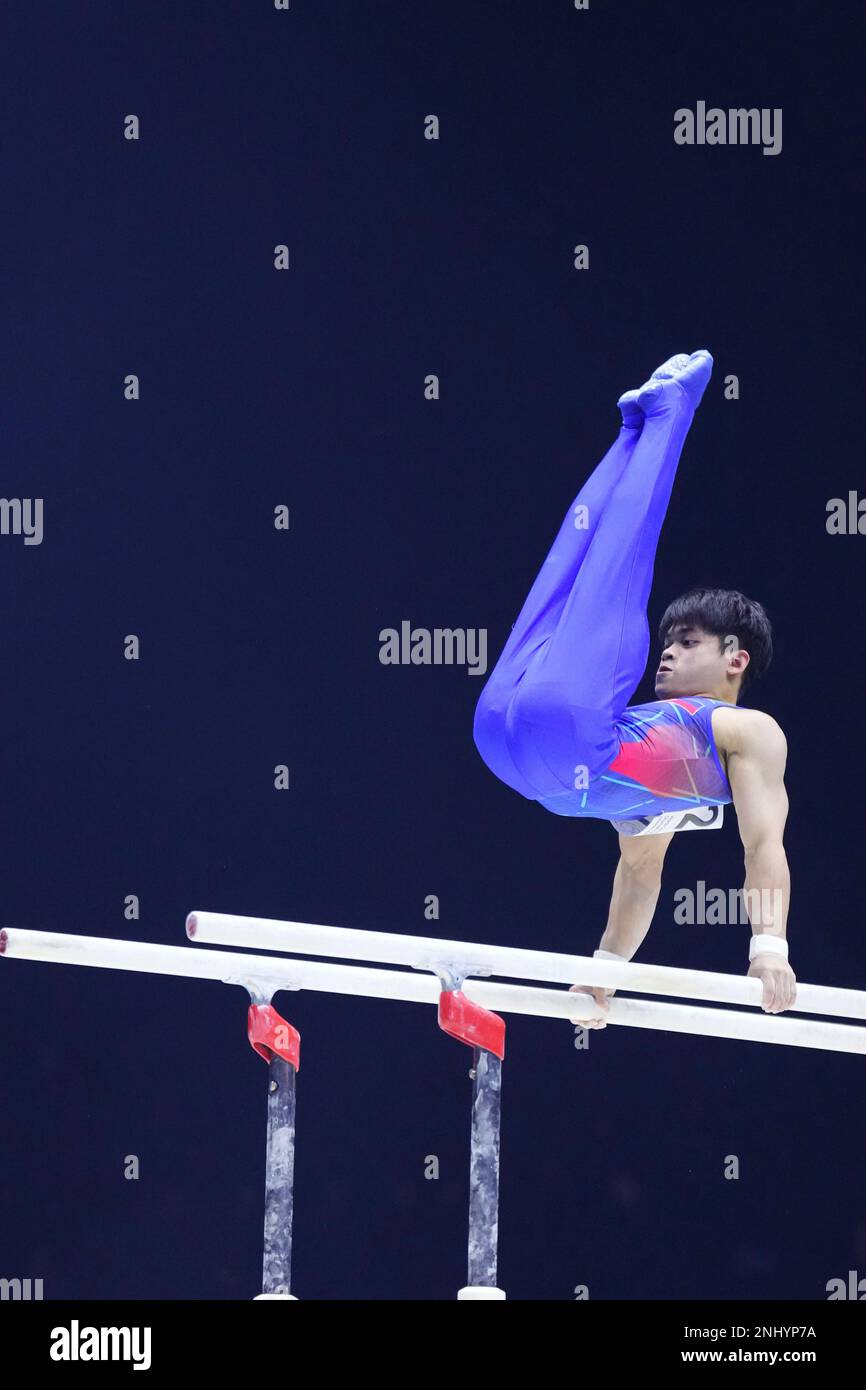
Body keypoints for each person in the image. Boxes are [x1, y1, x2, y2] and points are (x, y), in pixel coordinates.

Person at [471, 351, 795, 1024]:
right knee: (578, 562)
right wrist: (606, 977)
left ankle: (660, 416)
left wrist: (769, 947)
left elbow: (758, 845)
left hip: (537, 751)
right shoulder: (656, 743)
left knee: (604, 563)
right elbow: (642, 871)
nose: (666, 655)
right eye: (669, 641)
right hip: (524, 737)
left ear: (737, 660)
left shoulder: (745, 731)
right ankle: (639, 425)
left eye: (689, 642)